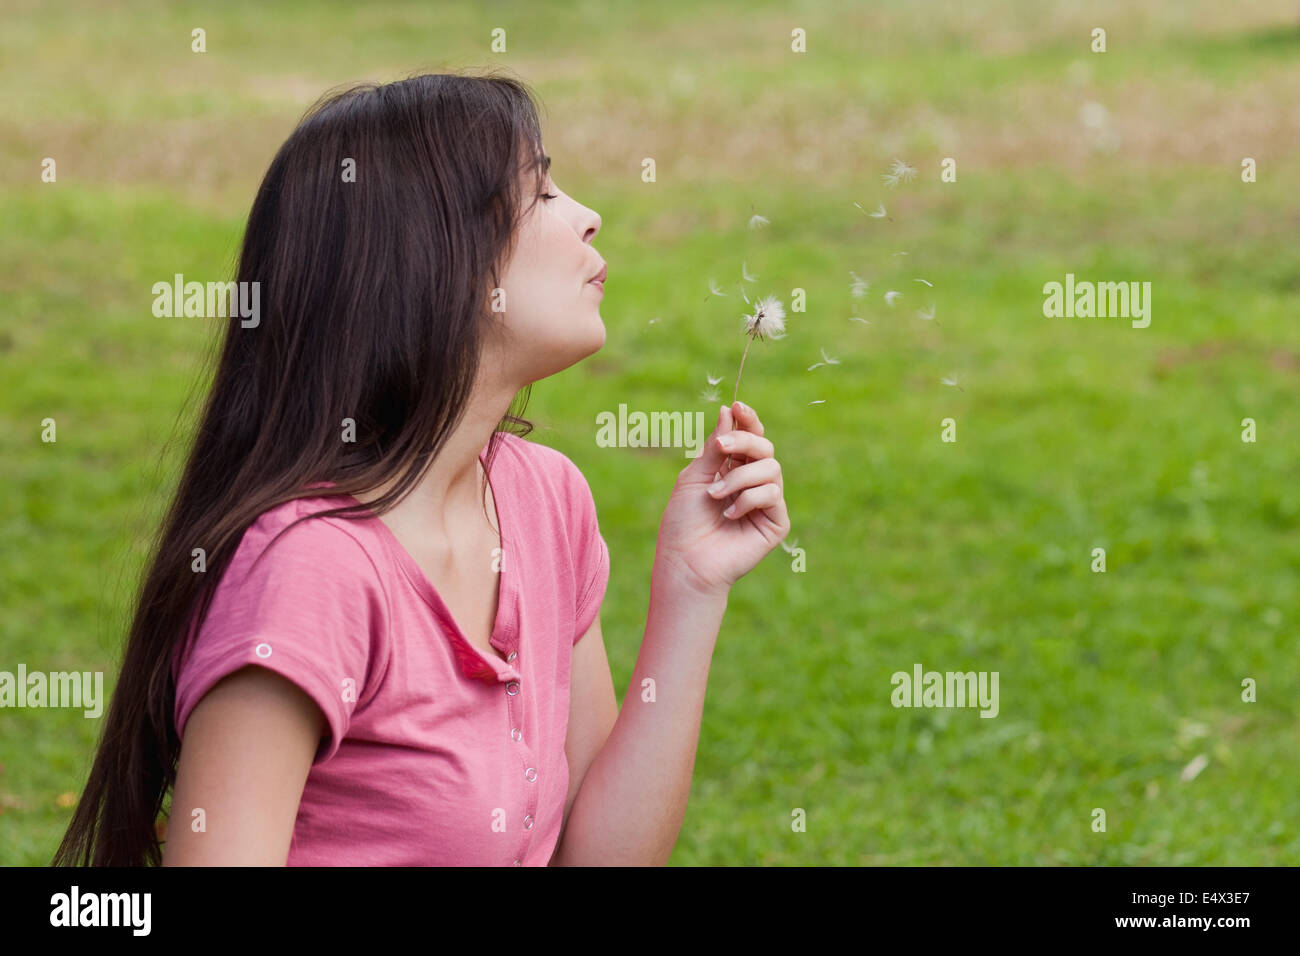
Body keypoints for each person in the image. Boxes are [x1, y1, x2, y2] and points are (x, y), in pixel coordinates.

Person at [52, 70, 789, 867]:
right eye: (540, 193)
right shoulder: (310, 568)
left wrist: (692, 587)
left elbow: (597, 855)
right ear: (431, 261)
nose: (588, 216)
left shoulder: (544, 500)